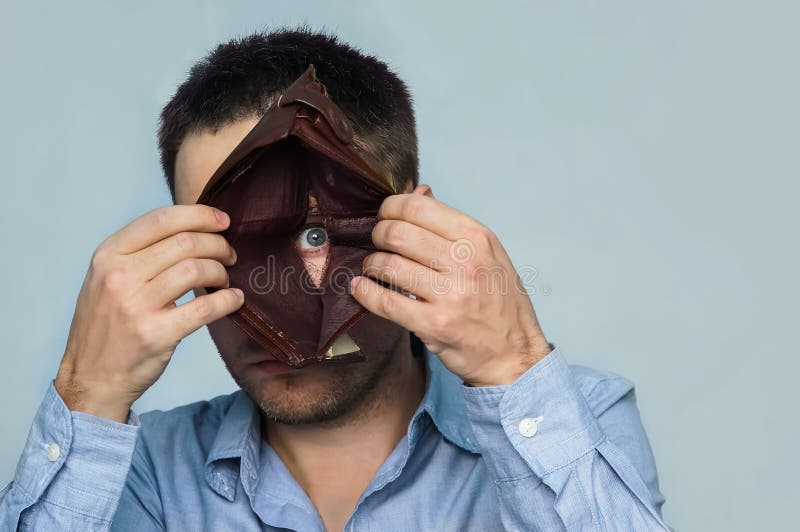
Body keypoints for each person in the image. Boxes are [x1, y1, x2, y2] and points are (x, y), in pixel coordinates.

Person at [0, 26, 669, 531]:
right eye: (222, 243)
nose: (280, 300)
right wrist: (87, 395)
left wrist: (514, 366)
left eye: (315, 234)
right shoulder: (139, 473)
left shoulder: (570, 424)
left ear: (417, 220)